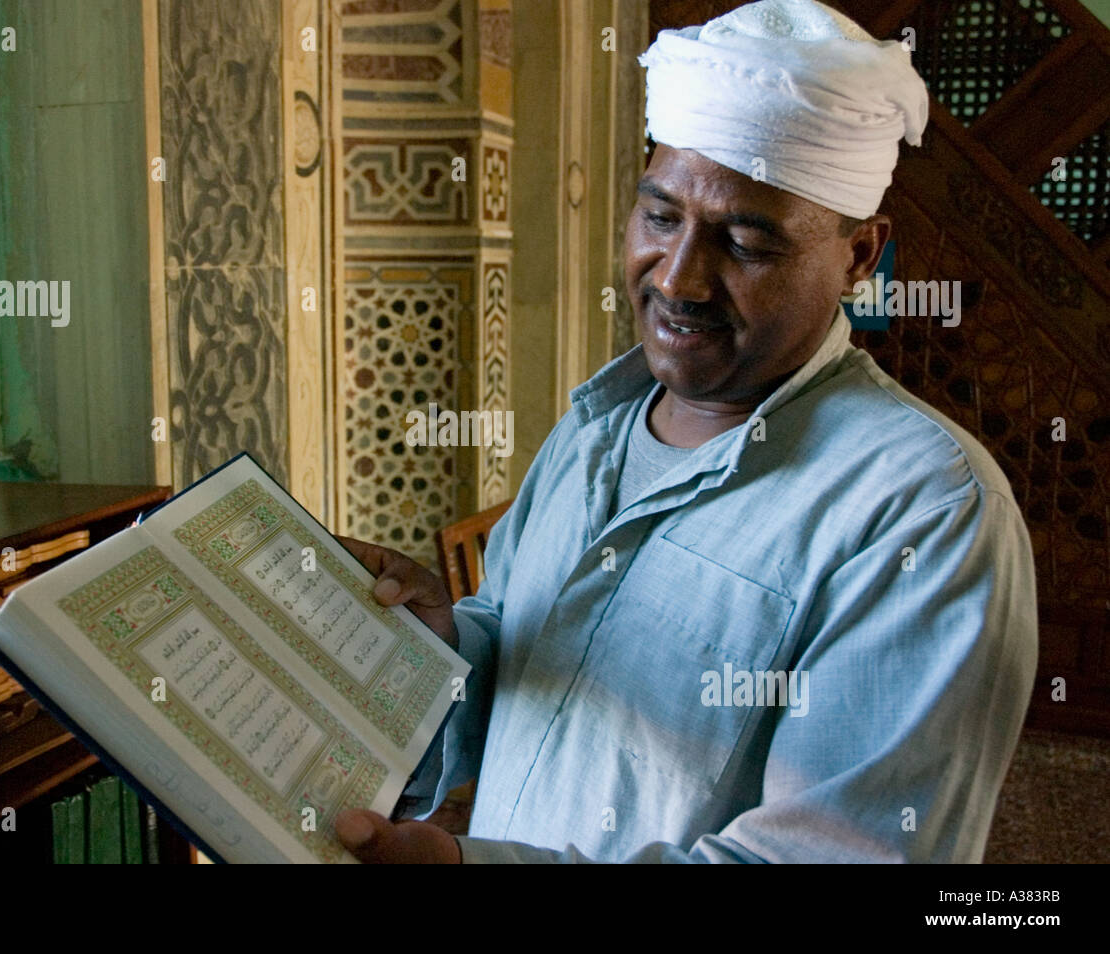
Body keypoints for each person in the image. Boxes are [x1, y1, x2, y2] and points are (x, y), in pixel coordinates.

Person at [332, 0, 1039, 863]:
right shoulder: (596, 427)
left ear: (861, 256)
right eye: (661, 218)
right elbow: (528, 650)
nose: (678, 278)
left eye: (745, 242)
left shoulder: (923, 513)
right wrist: (445, 640)